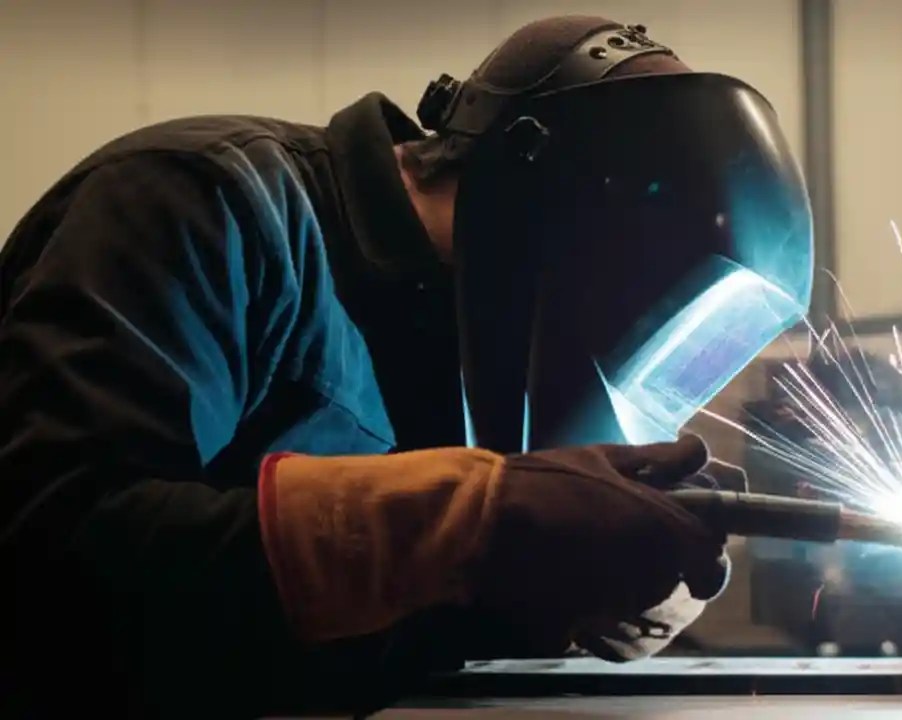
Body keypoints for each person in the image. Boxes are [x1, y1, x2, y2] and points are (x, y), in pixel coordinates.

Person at [0, 15, 813, 718]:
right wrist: (479, 523)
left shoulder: (474, 344)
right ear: (565, 217)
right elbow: (64, 556)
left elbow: (370, 620)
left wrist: (560, 595)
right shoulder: (205, 205)